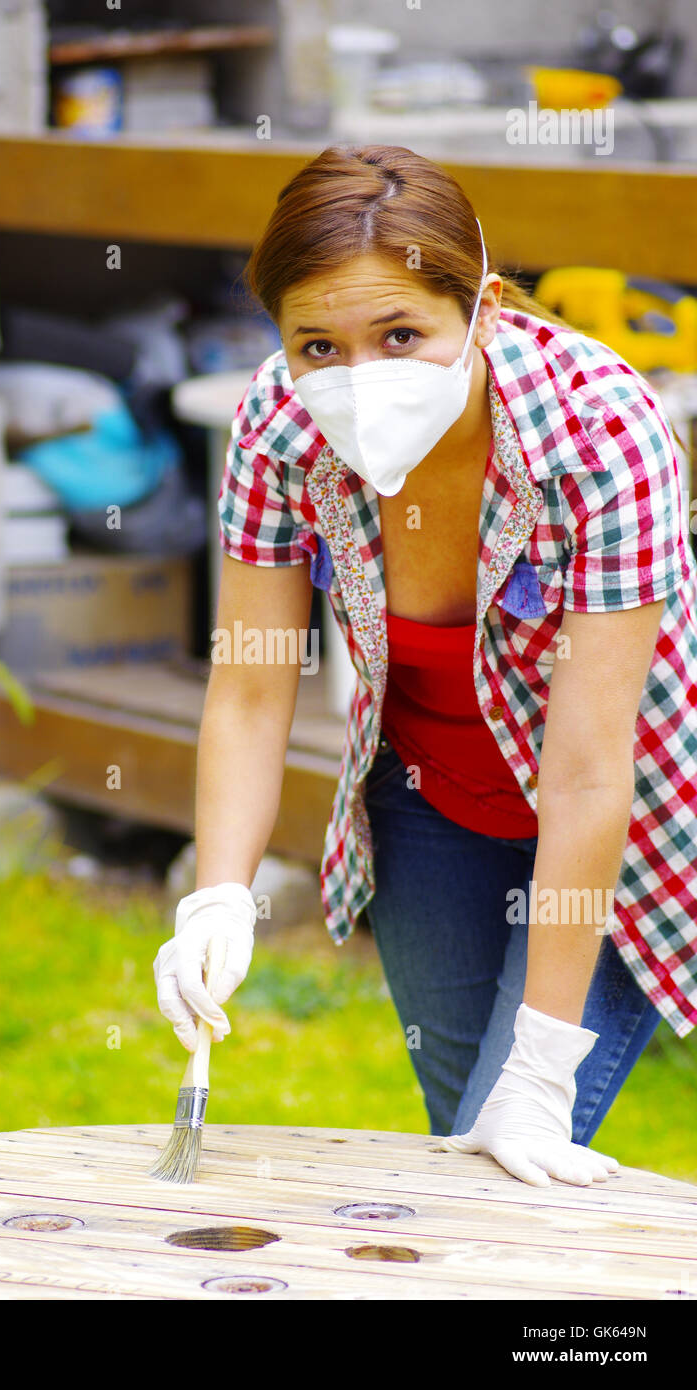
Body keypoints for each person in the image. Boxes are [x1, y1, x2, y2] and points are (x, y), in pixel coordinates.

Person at [153, 144, 697, 1188]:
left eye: (401, 333)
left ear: (484, 310)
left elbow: (589, 770)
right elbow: (253, 684)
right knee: (463, 1140)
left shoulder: (601, 431)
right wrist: (218, 893)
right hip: (427, 804)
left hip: (615, 814)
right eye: (317, 343)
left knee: (517, 1140)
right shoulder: (277, 426)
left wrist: (543, 1066)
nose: (360, 379)